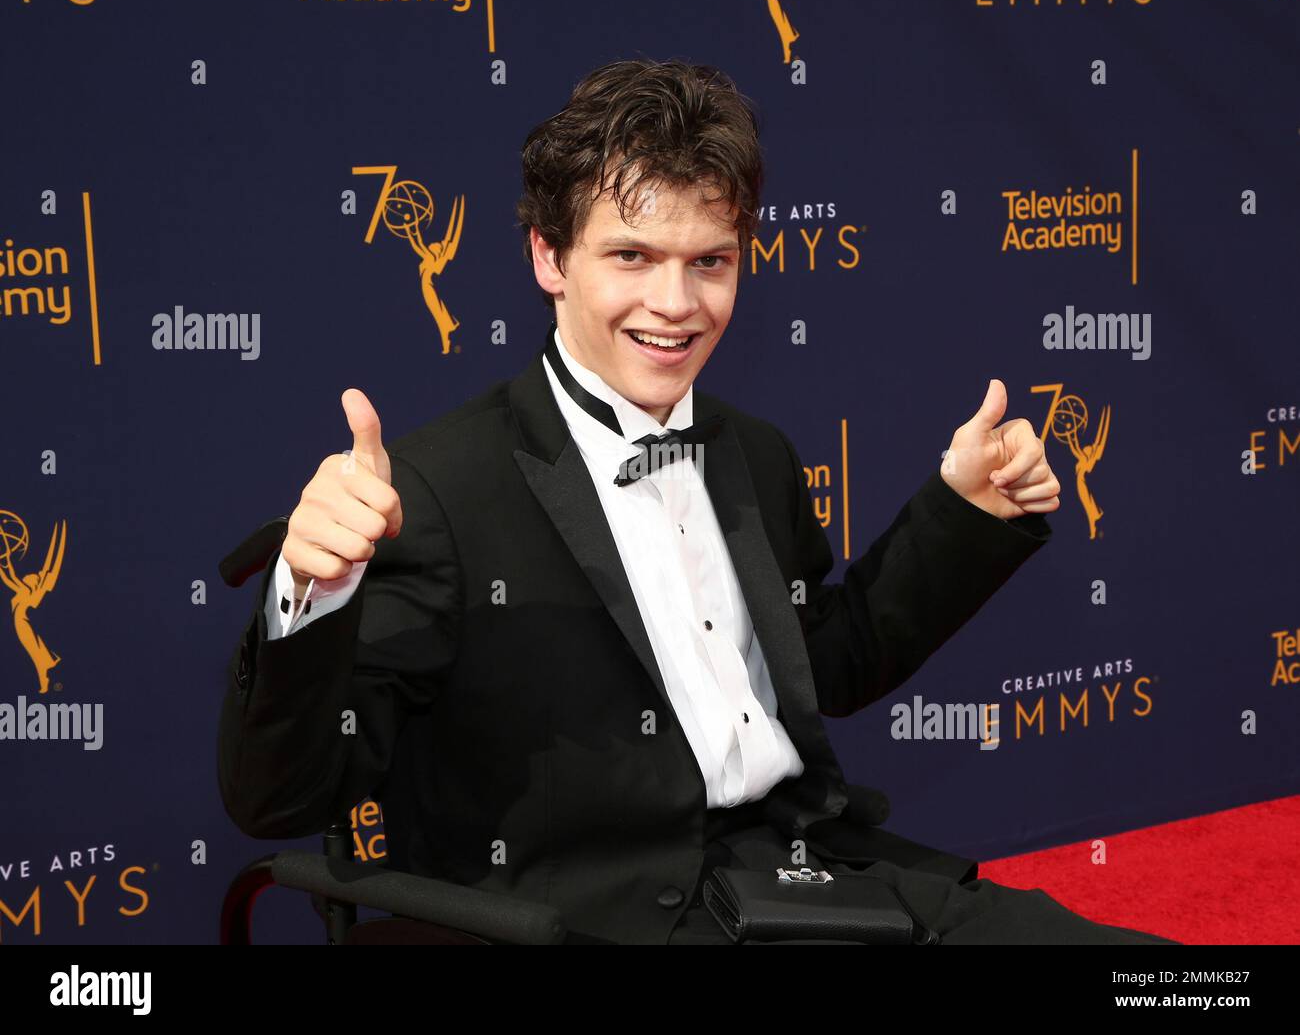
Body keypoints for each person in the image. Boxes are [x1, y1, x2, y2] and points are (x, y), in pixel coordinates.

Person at [218, 58, 1173, 945]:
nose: (676, 302)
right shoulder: (435, 490)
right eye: (631, 257)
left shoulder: (750, 450)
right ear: (550, 259)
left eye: (709, 261)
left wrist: (964, 512)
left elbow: (831, 664)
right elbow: (280, 800)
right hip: (601, 917)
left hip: (813, 872)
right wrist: (310, 596)